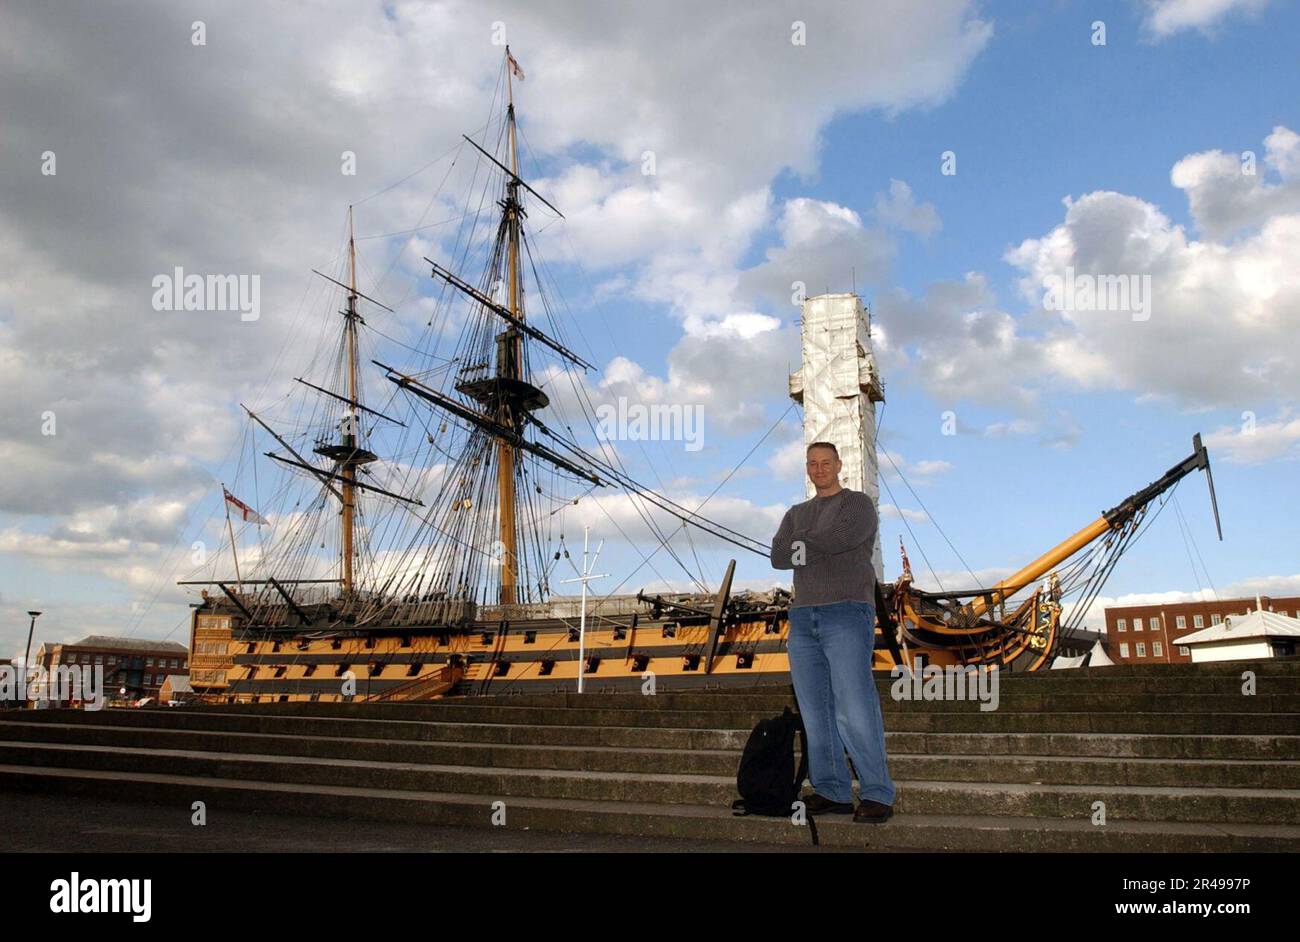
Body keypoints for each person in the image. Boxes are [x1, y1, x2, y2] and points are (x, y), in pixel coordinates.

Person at [770, 441, 896, 824]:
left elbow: (843, 539)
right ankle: (831, 790)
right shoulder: (796, 512)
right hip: (803, 616)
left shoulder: (858, 505)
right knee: (814, 708)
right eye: (813, 463)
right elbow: (778, 556)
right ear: (806, 468)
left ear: (839, 465)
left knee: (854, 703)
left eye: (826, 462)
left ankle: (876, 793)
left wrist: (804, 544)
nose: (820, 468)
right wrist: (813, 545)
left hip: (846, 610)